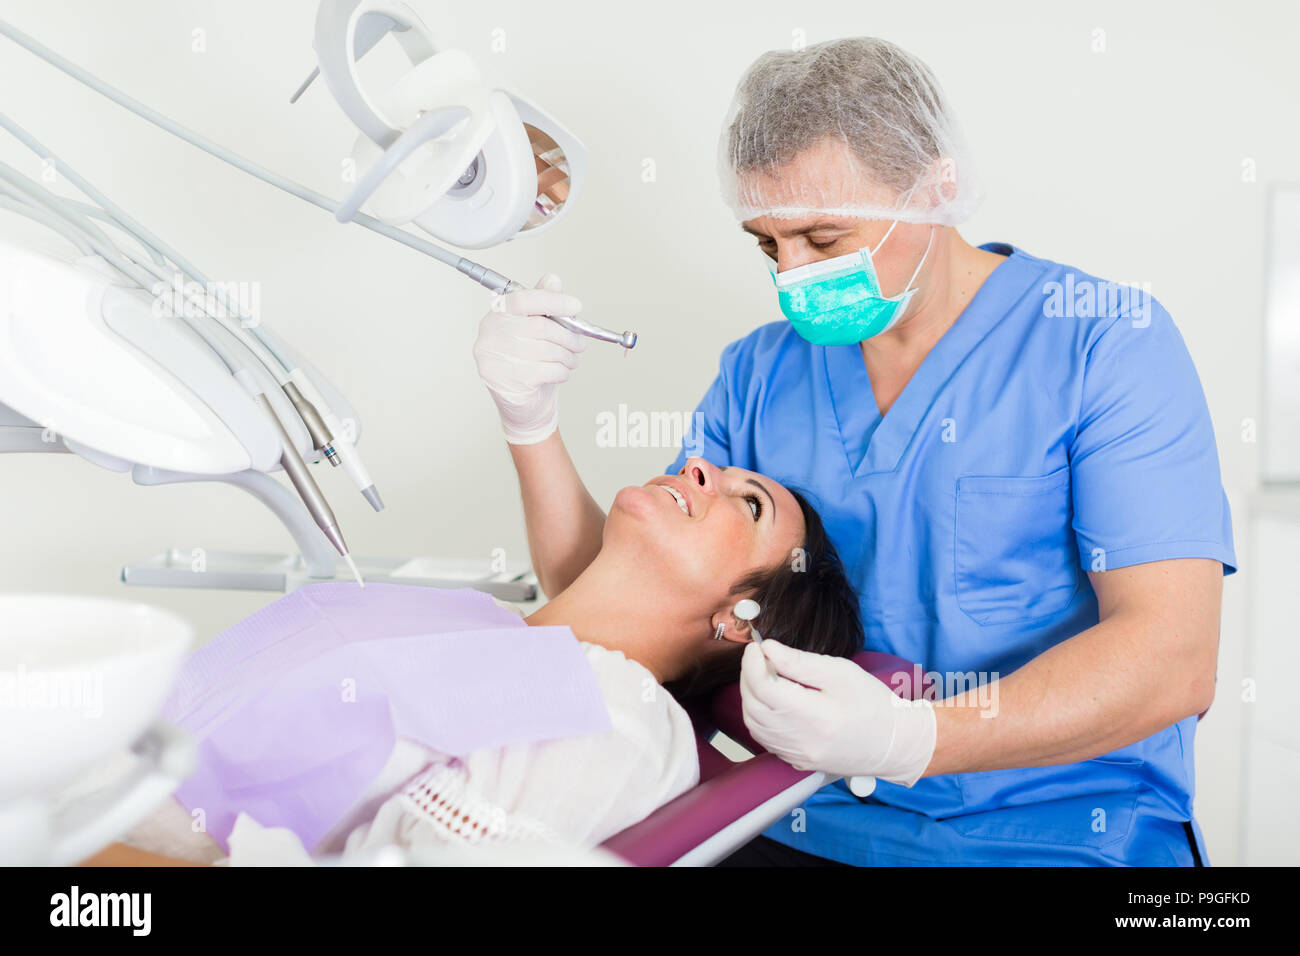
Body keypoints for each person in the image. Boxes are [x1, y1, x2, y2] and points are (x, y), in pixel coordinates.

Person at [472, 37, 1235, 866]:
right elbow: (622, 608)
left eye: (824, 239)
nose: (792, 277)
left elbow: (1173, 659)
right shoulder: (761, 372)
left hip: (1062, 833)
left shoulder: (1100, 346)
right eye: (768, 245)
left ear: (936, 188)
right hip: (805, 823)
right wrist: (531, 422)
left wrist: (911, 739)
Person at [77, 461, 862, 865]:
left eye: (746, 502)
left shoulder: (619, 721)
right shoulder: (484, 623)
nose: (699, 467)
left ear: (741, 617)